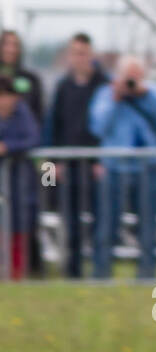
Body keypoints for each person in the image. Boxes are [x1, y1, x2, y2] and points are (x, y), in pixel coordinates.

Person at [89, 56, 156, 279]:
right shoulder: (106, 93)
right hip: (114, 167)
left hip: (149, 167)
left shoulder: (153, 92)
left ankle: (147, 274)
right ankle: (101, 274)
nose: (131, 80)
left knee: (148, 225)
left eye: (136, 75)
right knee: (107, 224)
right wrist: (115, 99)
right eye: (128, 75)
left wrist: (144, 93)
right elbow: (97, 127)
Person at [45, 33, 108, 278]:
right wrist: (54, 163)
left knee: (99, 219)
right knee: (69, 219)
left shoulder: (103, 84)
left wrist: (101, 160)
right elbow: (53, 125)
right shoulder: (62, 86)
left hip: (95, 166)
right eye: (75, 53)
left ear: (91, 55)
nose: (79, 58)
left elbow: (107, 126)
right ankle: (73, 272)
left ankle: (100, 273)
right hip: (68, 165)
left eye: (84, 53)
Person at [0, 75, 39, 278]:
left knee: (18, 224)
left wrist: (8, 147)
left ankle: (17, 274)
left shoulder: (22, 113)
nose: (8, 101)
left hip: (19, 181)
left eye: (11, 96)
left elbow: (33, 138)